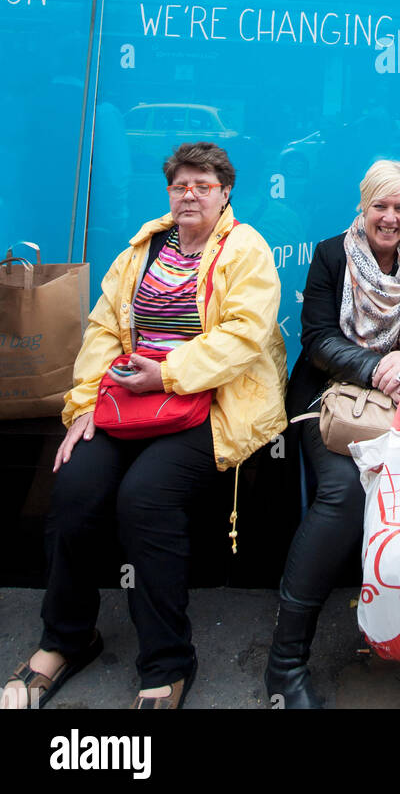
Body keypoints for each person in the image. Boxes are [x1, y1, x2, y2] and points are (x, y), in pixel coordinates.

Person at [1, 141, 284, 710]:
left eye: (203, 185)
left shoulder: (245, 248)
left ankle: (167, 661)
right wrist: (83, 408)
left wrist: (168, 374)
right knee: (76, 487)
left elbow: (244, 336)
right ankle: (66, 637)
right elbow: (104, 326)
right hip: (127, 400)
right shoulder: (145, 248)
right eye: (181, 185)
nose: (190, 194)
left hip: (208, 399)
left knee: (146, 499)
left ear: (225, 193)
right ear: (169, 193)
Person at [266, 160, 400, 708]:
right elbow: (317, 337)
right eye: (379, 206)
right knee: (343, 493)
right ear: (362, 207)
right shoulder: (330, 255)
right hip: (335, 392)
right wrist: (377, 369)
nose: (389, 218)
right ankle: (285, 662)